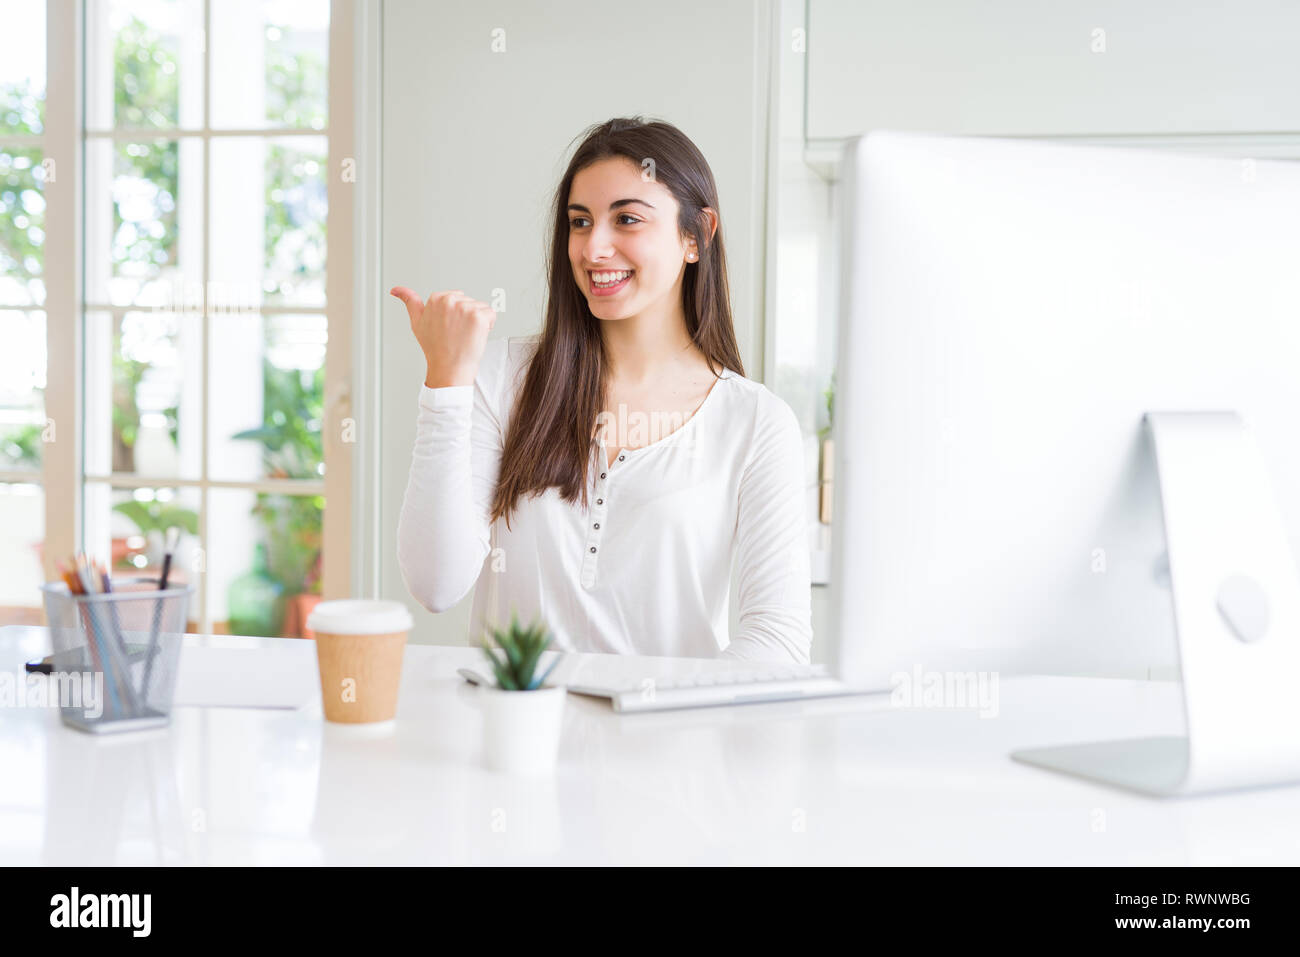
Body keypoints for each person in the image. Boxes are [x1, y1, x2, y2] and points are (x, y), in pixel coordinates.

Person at [392, 116, 811, 662]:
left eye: (627, 219)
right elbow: (436, 584)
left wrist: (668, 725)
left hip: (664, 739)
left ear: (696, 235)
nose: (593, 250)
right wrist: (446, 385)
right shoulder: (500, 376)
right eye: (581, 222)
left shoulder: (756, 422)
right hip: (513, 736)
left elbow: (776, 639)